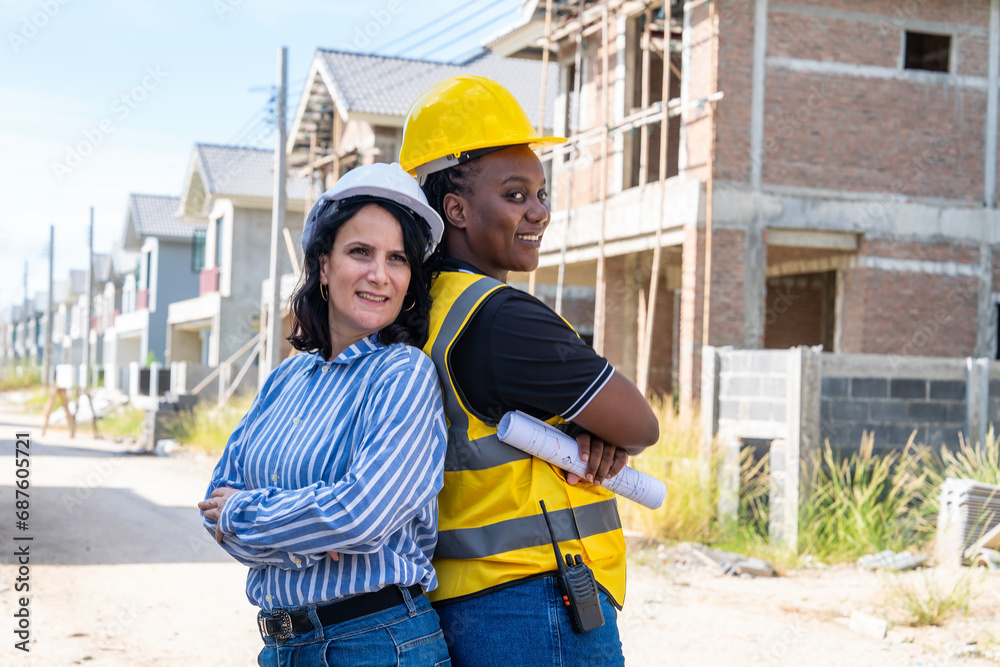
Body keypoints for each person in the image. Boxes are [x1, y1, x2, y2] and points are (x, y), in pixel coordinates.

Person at [398, 75, 660, 666]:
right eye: (515, 194)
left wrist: (578, 431)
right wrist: (598, 434)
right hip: (536, 606)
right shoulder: (499, 317)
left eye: (542, 193)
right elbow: (640, 426)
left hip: (460, 601)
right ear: (455, 208)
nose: (539, 212)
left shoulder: (418, 306)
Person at [198, 162, 452, 667]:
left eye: (398, 259)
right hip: (281, 647)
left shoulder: (403, 373)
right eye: (361, 252)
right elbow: (213, 504)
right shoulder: (286, 379)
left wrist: (245, 513)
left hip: (377, 644)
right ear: (322, 265)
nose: (379, 274)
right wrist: (313, 532)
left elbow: (359, 517)